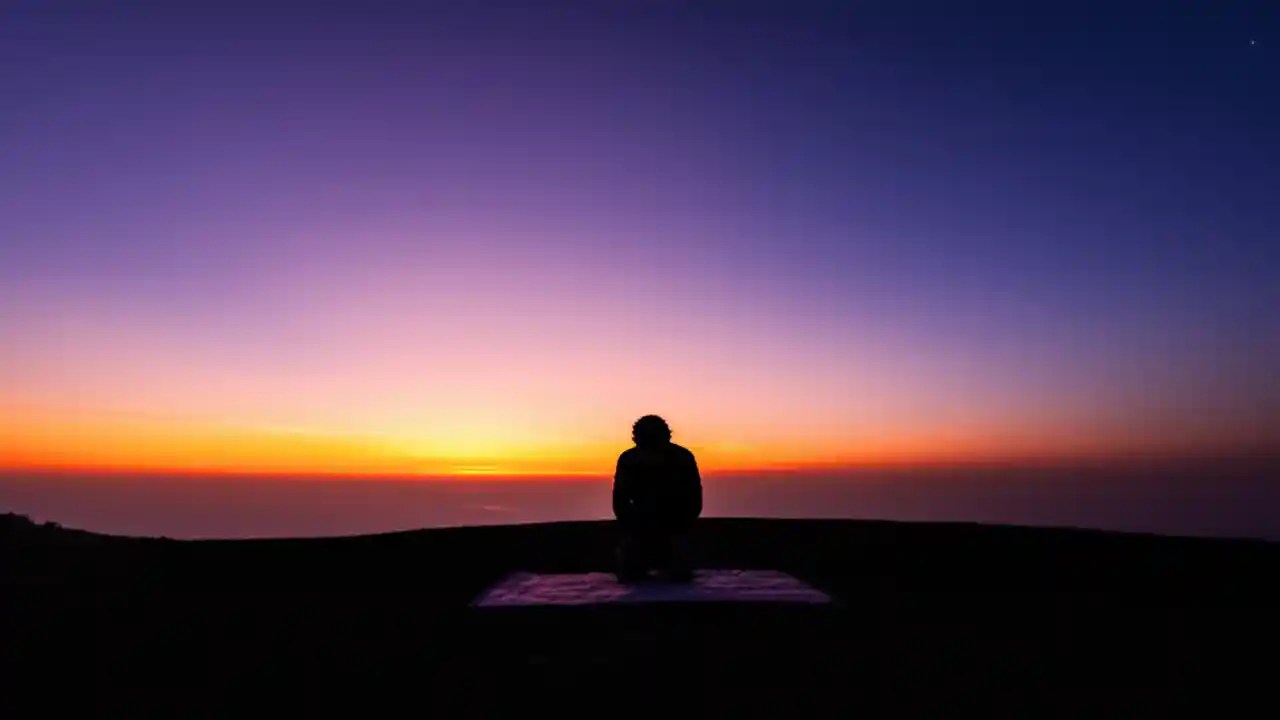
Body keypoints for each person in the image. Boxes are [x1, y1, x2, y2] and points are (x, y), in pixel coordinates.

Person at [612, 415, 702, 582]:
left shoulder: (682, 457)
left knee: (678, 572)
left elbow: (694, 499)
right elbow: (620, 500)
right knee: (631, 568)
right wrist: (634, 526)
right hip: (640, 525)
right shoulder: (628, 460)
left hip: (675, 524)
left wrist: (679, 526)